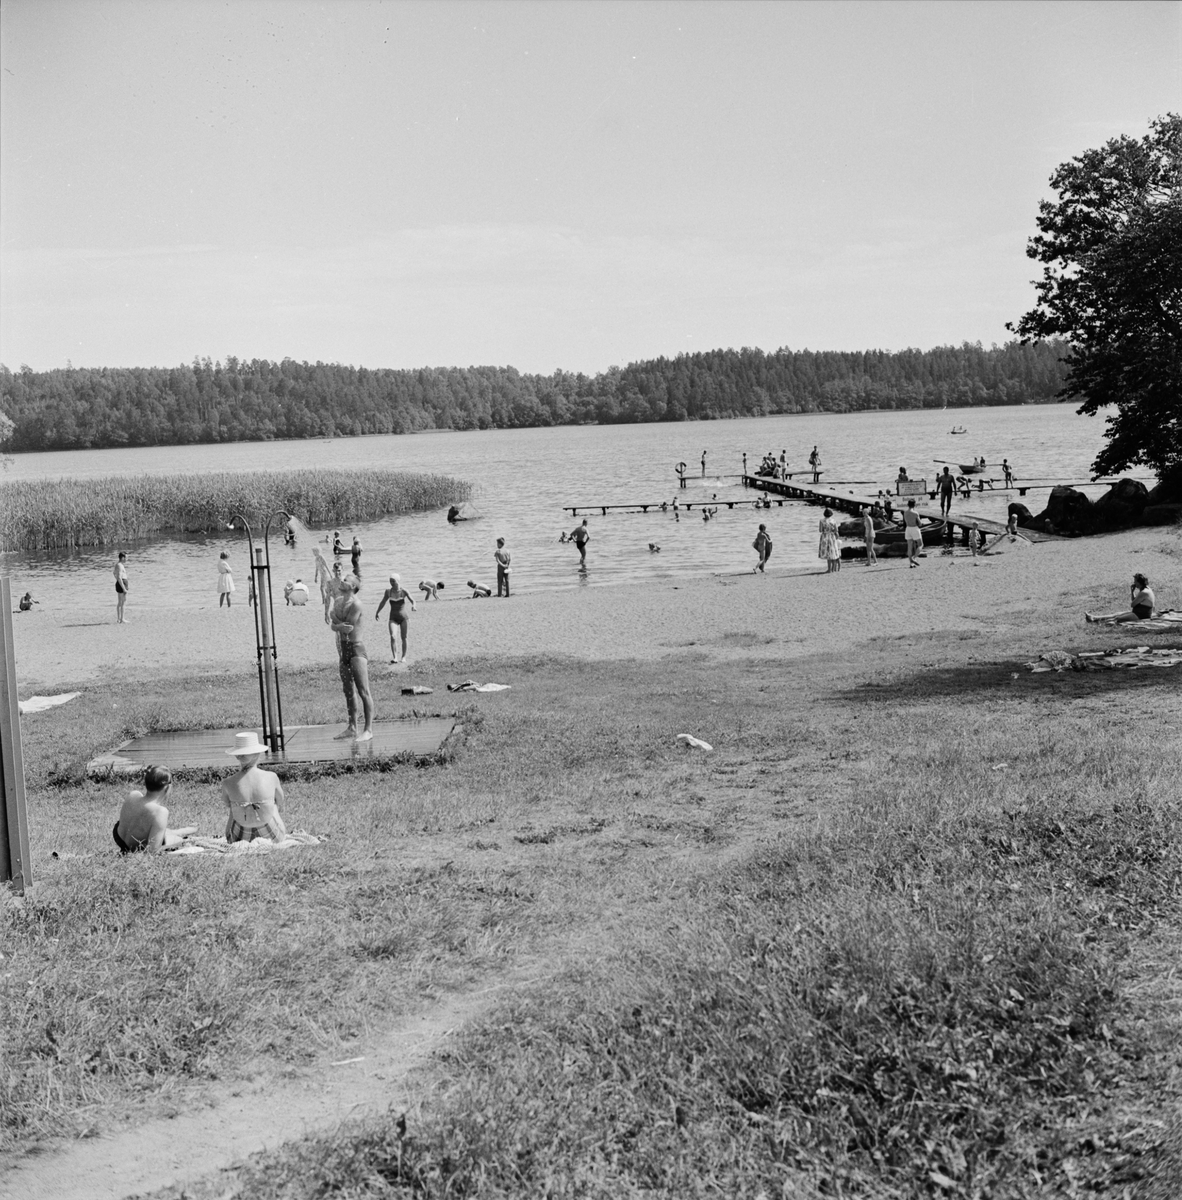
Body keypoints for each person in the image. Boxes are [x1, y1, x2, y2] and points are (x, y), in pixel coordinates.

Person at [113, 765, 197, 854]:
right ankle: (181, 834)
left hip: (120, 839)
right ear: (167, 787)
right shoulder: (160, 812)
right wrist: (180, 843)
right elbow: (153, 850)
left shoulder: (133, 795)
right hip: (138, 847)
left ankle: (181, 831)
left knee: (158, 830)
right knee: (177, 840)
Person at [221, 732, 288, 843]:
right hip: (272, 835)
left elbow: (227, 803)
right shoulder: (271, 777)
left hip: (237, 837)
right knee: (274, 804)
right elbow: (280, 800)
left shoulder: (228, 782)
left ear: (237, 755)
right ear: (258, 753)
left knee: (234, 806)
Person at [330, 573, 374, 741]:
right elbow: (334, 625)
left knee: (363, 691)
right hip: (344, 649)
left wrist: (336, 621)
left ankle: (368, 730)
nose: (342, 581)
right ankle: (352, 727)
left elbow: (347, 626)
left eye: (346, 580)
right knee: (348, 690)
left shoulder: (356, 604)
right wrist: (336, 623)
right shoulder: (339, 601)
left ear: (353, 587)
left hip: (356, 649)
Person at [376, 573, 416, 664]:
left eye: (393, 581)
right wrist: (377, 612)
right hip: (393, 618)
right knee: (393, 636)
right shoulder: (388, 592)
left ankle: (404, 657)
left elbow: (413, 600)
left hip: (403, 618)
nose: (391, 583)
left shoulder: (404, 591)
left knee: (404, 637)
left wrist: (414, 606)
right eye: (390, 581)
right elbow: (383, 602)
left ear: (398, 581)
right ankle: (395, 657)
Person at [1086, 573, 1157, 623]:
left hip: (1141, 615)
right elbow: (1134, 602)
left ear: (1139, 582)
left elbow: (1132, 604)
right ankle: (1094, 618)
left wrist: (1133, 593)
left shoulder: (1144, 592)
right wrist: (1132, 591)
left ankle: (1097, 623)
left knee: (1117, 618)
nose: (1134, 583)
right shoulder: (1146, 589)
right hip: (1137, 612)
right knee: (1116, 614)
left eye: (1135, 582)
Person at [818, 507, 842, 573]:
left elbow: (820, 530)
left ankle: (829, 569)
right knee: (833, 553)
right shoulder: (833, 521)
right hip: (832, 536)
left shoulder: (821, 521)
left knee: (828, 554)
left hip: (825, 536)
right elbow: (836, 530)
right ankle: (833, 568)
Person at [902, 499, 923, 567]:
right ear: (914, 505)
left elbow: (905, 522)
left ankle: (911, 563)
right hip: (914, 528)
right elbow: (920, 524)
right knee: (920, 544)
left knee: (909, 547)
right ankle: (914, 558)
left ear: (908, 505)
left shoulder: (905, 513)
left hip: (908, 528)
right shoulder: (915, 513)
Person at [114, 551, 130, 623]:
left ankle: (119, 618)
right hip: (121, 584)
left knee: (120, 602)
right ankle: (122, 619)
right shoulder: (120, 565)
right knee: (122, 602)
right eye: (126, 557)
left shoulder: (119, 565)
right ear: (122, 558)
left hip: (121, 583)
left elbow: (114, 574)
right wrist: (124, 588)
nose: (127, 559)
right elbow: (119, 577)